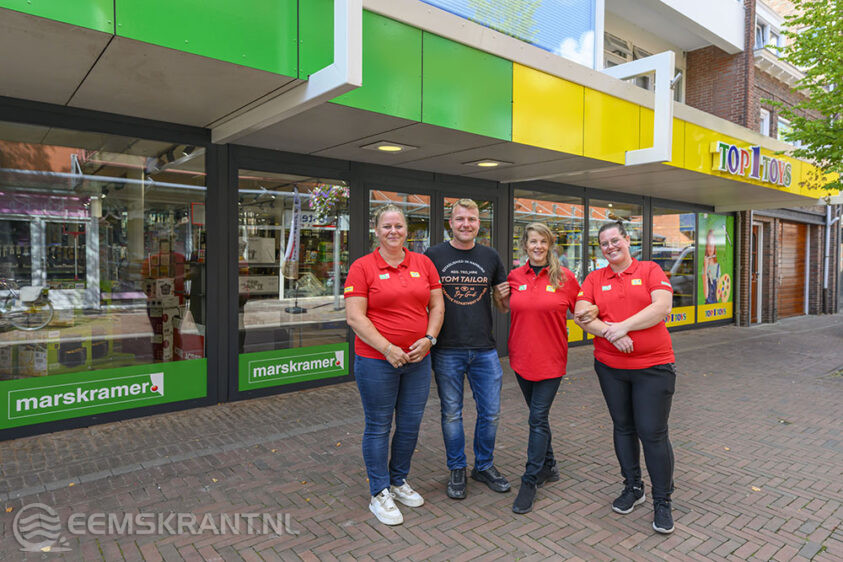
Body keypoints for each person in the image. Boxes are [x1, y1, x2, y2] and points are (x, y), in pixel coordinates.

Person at [344, 204, 445, 526]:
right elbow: (354, 316)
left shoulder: (423, 263)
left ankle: (398, 481)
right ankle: (379, 492)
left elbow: (437, 305)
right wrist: (388, 348)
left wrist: (429, 339)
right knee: (378, 425)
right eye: (387, 226)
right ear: (376, 230)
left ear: (407, 231)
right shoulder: (362, 267)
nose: (393, 231)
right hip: (376, 361)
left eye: (399, 226)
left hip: (417, 360)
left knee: (411, 424)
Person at [574, 221, 677, 535]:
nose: (610, 247)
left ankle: (663, 500)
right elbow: (581, 314)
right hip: (611, 367)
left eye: (614, 240)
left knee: (652, 433)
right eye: (604, 243)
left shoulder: (649, 271)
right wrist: (610, 332)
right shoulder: (594, 278)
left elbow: (662, 307)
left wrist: (622, 327)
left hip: (653, 368)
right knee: (623, 427)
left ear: (627, 240)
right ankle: (633, 487)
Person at [500, 223, 597, 514]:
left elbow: (584, 311)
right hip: (521, 359)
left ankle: (530, 480)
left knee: (537, 418)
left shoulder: (565, 278)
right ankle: (549, 466)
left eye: (543, 241)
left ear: (550, 245)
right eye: (533, 241)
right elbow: (506, 308)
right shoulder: (515, 277)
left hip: (551, 361)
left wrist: (605, 320)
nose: (538, 246)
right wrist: (498, 297)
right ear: (525, 246)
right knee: (537, 417)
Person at [424, 199, 511, 500]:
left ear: (478, 223)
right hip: (447, 349)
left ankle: (483, 466)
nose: (466, 224)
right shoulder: (433, 255)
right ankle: (457, 468)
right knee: (451, 413)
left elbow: (502, 307)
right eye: (460, 219)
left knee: (491, 413)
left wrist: (504, 297)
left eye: (471, 219)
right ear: (451, 222)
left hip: (484, 349)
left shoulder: (490, 256)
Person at [702, 229, 720, 304]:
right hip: (708, 303)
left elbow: (720, 290)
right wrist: (706, 268)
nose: (710, 248)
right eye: (708, 245)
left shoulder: (717, 266)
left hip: (716, 302)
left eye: (712, 245)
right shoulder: (704, 266)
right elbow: (706, 295)